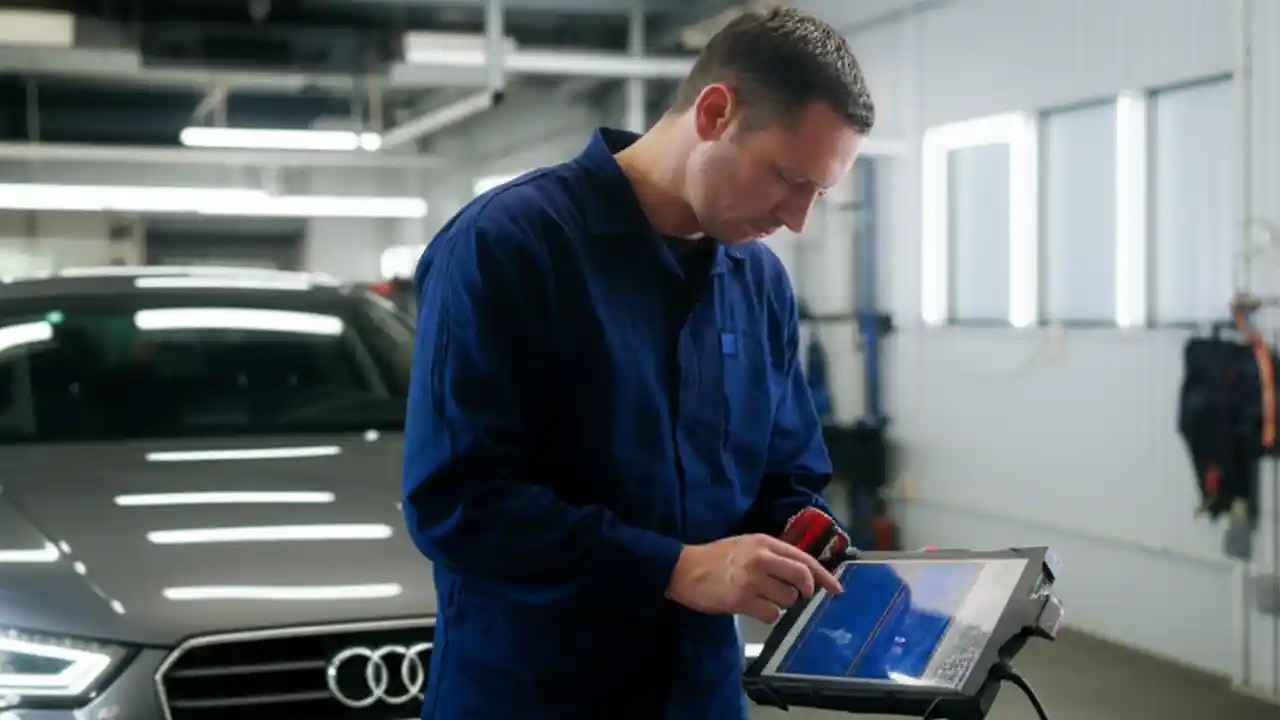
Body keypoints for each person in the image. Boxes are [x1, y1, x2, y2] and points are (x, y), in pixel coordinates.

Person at [401, 6, 876, 719]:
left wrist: (829, 553)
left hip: (700, 696)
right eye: (788, 178)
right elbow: (458, 502)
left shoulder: (760, 283)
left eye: (819, 192)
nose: (798, 218)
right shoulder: (508, 247)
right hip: (533, 695)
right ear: (715, 113)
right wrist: (675, 568)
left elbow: (786, 475)